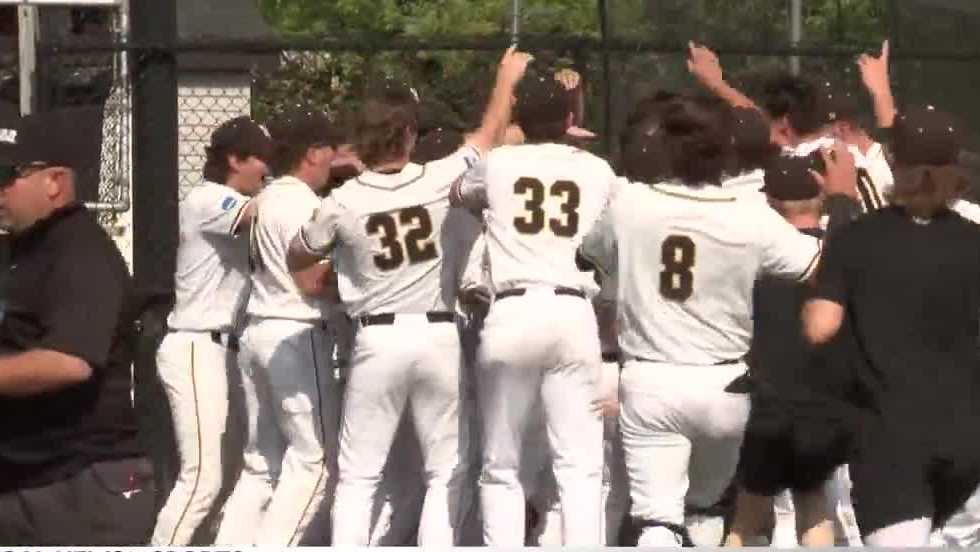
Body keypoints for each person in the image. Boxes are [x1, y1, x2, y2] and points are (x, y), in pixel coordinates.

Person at [288, 46, 532, 546]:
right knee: (446, 470)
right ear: (409, 136)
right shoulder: (439, 179)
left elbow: (297, 254)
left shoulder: (343, 200)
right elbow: (486, 137)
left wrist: (346, 265)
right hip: (438, 334)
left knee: (359, 476)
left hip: (376, 338)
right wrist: (506, 78)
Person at [579, 95, 821, 547]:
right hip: (724, 385)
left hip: (651, 378)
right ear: (726, 152)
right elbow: (816, 266)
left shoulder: (631, 202)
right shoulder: (750, 213)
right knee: (705, 508)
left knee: (658, 518)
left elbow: (587, 256)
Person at [451, 70, 616, 547]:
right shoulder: (597, 168)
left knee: (501, 464)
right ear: (570, 118)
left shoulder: (499, 163)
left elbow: (456, 194)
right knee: (580, 465)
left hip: (512, 311)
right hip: (572, 309)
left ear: (520, 117)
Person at [803, 105, 980, 547]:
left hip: (888, 442)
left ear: (895, 165)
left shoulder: (856, 238)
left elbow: (819, 327)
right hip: (968, 441)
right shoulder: (974, 241)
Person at [0, 106, 154, 544]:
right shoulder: (25, 249)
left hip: (83, 484)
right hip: (30, 479)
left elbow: (70, 362)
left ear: (55, 181)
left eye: (5, 175)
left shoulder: (79, 252)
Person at [214, 107, 344, 546]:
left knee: (261, 464)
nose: (332, 157)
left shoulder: (267, 197)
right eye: (328, 148)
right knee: (314, 462)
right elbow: (312, 279)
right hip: (296, 331)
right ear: (312, 153)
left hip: (256, 331)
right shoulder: (304, 204)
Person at [725, 155, 861, 548]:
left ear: (770, 203)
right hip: (824, 403)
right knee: (813, 503)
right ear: (817, 198)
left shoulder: (755, 261)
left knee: (746, 516)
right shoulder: (844, 258)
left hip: (766, 402)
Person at [151, 116, 271, 546]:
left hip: (225, 351)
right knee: (202, 479)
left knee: (241, 474)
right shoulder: (208, 199)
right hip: (195, 344)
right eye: (263, 160)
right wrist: (300, 181)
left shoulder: (232, 199)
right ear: (235, 159)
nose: (268, 170)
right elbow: (258, 215)